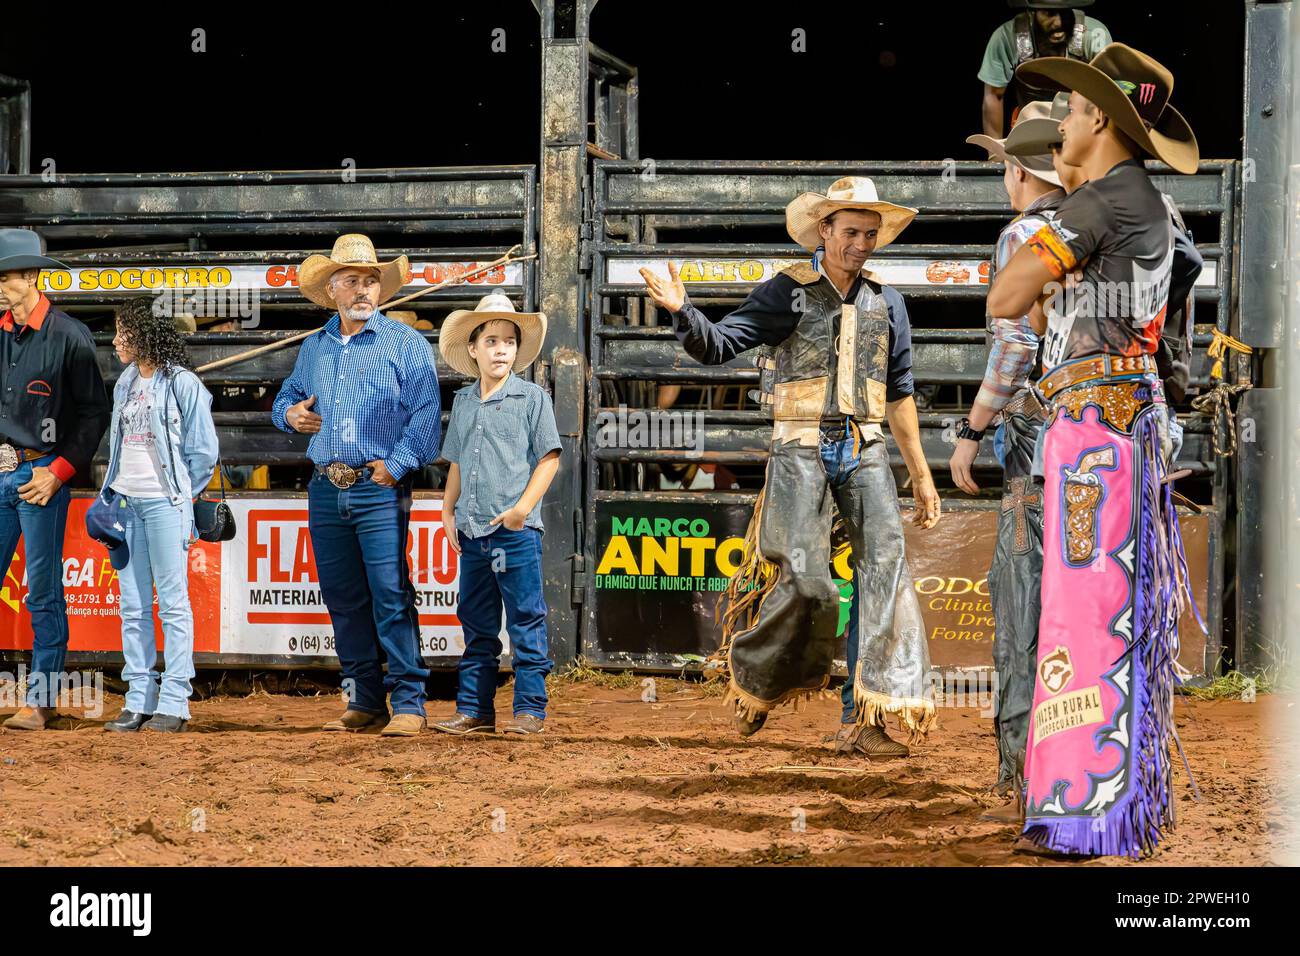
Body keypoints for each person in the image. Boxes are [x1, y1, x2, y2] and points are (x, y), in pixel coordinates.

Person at [641, 177, 942, 758]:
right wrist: (682, 309)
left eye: (869, 234)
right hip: (800, 448)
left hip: (867, 447)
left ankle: (866, 719)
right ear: (824, 231)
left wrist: (920, 475)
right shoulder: (787, 291)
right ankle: (758, 678)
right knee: (808, 582)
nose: (861, 243)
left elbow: (899, 390)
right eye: (850, 232)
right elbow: (721, 344)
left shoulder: (888, 300)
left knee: (885, 571)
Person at [986, 43, 1200, 857]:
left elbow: (1009, 297)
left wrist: (1049, 245)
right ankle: (1116, 806)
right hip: (1118, 420)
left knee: (1084, 617)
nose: (1063, 122)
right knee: (1113, 614)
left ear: (1100, 119)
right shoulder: (1136, 201)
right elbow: (1048, 318)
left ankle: (1084, 815)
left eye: (1072, 111)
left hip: (1097, 434)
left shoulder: (1101, 201)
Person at [272, 234, 441, 737]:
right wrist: (290, 414)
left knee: (390, 591)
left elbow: (427, 417)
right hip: (327, 485)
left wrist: (396, 464)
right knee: (343, 595)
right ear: (333, 290)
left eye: (372, 281)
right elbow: (289, 394)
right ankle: (365, 699)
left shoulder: (404, 343)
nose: (364, 289)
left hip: (376, 483)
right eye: (353, 281)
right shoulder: (314, 347)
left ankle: (409, 702)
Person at [950, 98, 1067, 814]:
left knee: (1020, 592)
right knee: (1085, 595)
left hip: (1035, 434)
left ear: (1019, 169)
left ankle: (1022, 767)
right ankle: (1089, 762)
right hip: (1103, 433)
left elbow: (1015, 342)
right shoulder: (1100, 224)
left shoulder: (1024, 234)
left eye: (1004, 165)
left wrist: (972, 426)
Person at [431, 293, 561, 736]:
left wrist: (521, 510)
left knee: (526, 619)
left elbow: (549, 458)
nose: (501, 349)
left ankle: (530, 710)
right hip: (472, 530)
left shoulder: (532, 398)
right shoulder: (465, 401)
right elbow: (460, 461)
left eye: (509, 341)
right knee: (477, 623)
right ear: (473, 350)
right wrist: (447, 509)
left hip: (514, 531)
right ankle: (475, 711)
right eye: (491, 340)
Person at [90, 297, 219, 733]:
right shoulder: (126, 381)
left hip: (166, 503)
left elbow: (203, 452)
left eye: (124, 331)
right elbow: (120, 444)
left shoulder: (182, 383)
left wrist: (183, 495)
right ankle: (139, 697)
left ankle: (175, 700)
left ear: (145, 333)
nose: (116, 340)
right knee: (133, 605)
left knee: (172, 603)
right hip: (127, 502)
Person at [0, 229, 111, 731]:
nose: (0, 286)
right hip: (8, 468)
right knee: (39, 589)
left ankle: (40, 700)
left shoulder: (69, 335)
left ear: (30, 276)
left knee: (42, 590)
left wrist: (57, 471)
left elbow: (93, 414)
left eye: (5, 276)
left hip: (39, 473)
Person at [979, 1, 1111, 138]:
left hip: (1083, 129)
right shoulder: (1007, 36)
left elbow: (1109, 95)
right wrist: (995, 155)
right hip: (1030, 129)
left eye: (1064, 12)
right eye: (1049, 13)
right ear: (1032, 13)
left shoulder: (1094, 34)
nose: (1058, 22)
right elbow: (994, 95)